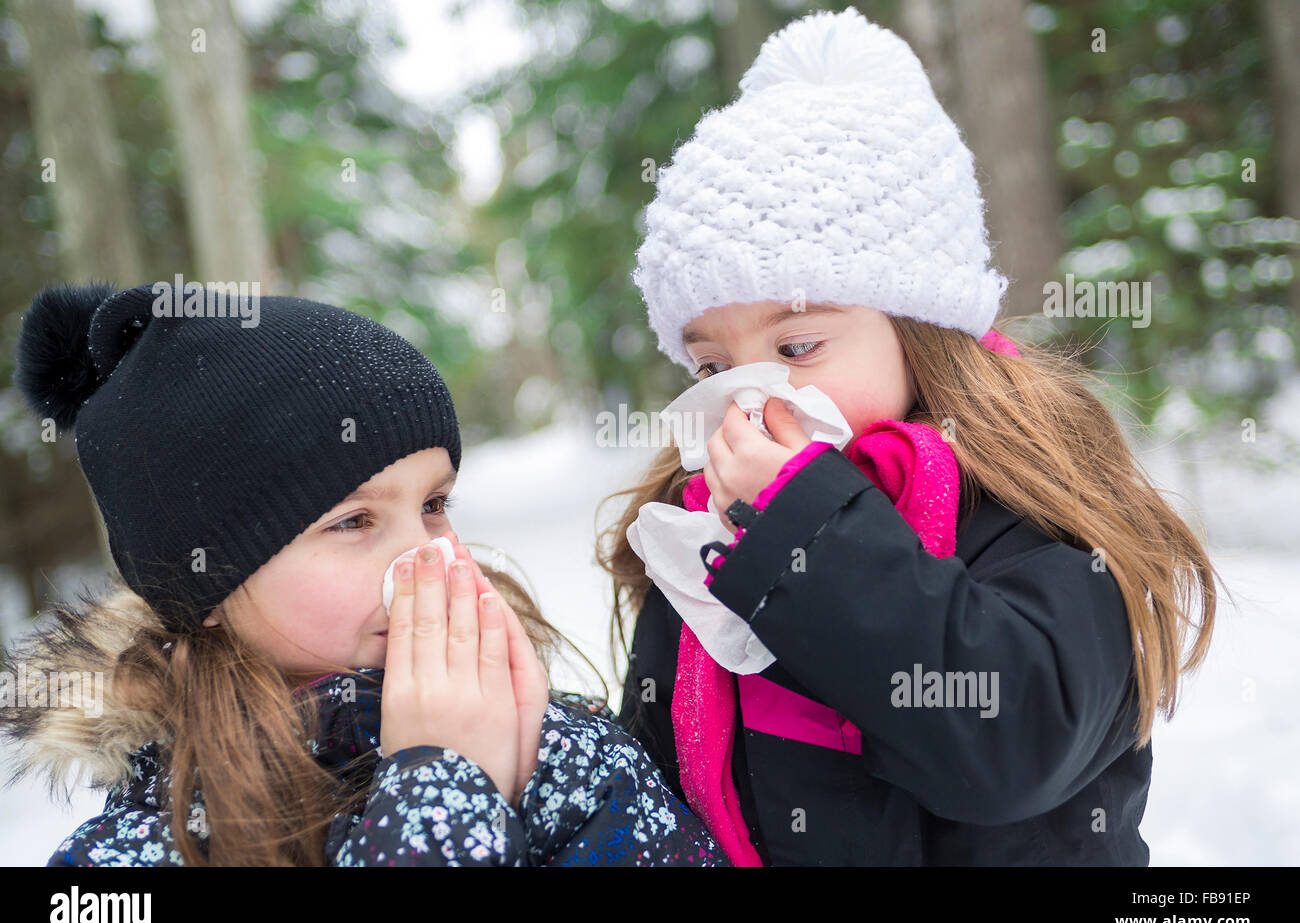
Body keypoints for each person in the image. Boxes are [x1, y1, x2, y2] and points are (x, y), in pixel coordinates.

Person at [599, 7, 1221, 865]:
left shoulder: (1038, 501)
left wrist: (807, 536)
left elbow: (1011, 749)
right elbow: (660, 774)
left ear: (920, 325)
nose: (749, 395)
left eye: (797, 346)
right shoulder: (707, 530)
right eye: (712, 367)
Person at [2, 280, 727, 867]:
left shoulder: (557, 749)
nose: (431, 556)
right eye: (352, 521)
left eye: (435, 504)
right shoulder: (130, 855)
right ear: (206, 587)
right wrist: (443, 795)